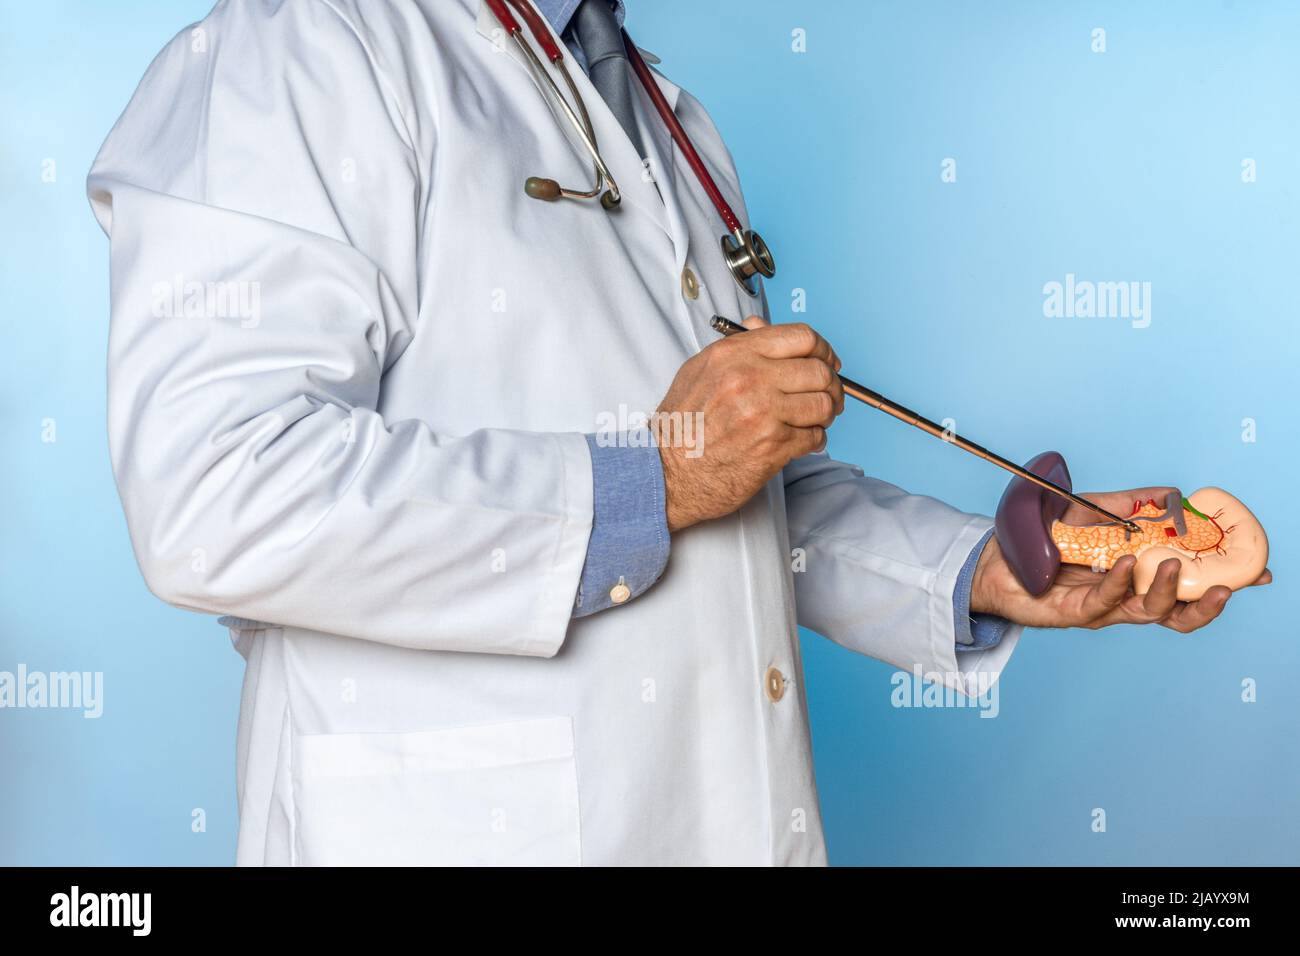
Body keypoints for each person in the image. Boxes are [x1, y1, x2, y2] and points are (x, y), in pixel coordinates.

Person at [87, 0, 1264, 866]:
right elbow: (212, 488)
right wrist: (654, 472)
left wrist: (985, 571)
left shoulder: (654, 107)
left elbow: (736, 487)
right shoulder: (296, 52)